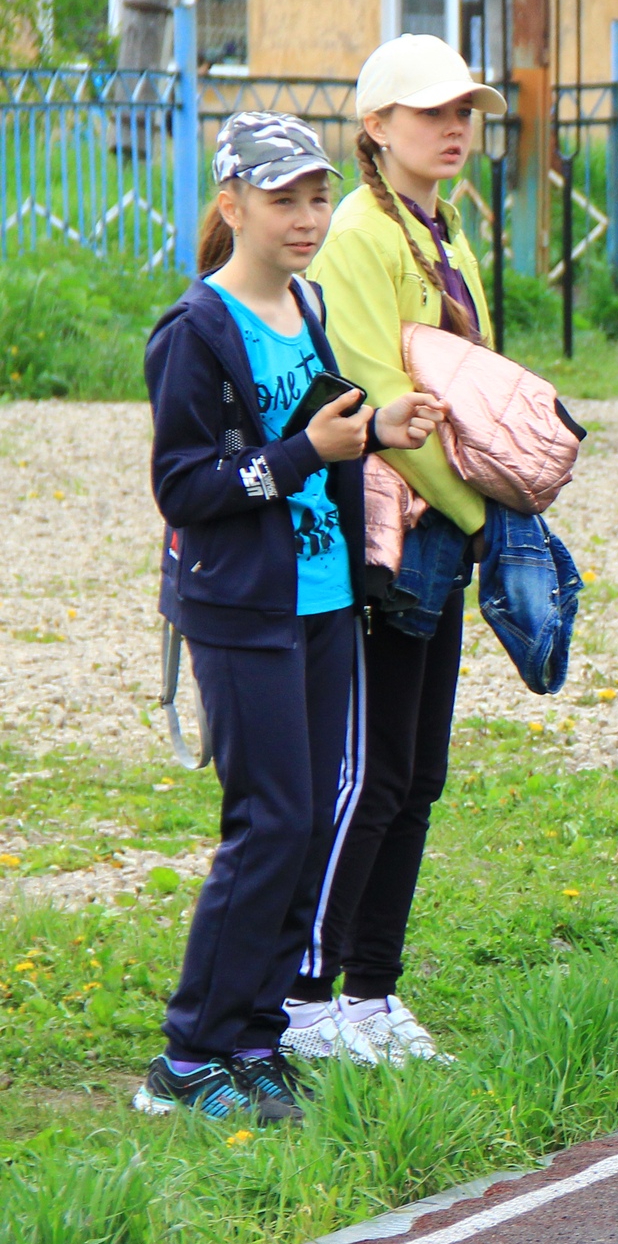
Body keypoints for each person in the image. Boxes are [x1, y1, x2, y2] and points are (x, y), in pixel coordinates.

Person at [139, 113, 445, 1123]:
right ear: (232, 206)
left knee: (309, 822)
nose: (309, 217)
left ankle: (254, 1041)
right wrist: (311, 453)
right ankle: (190, 1059)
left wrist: (376, 432)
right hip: (242, 612)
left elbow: (314, 441)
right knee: (266, 825)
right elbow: (188, 488)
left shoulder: (305, 308)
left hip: (321, 603)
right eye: (284, 199)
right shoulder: (196, 330)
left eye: (318, 196)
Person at [288, 36, 504, 1068]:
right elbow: (377, 401)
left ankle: (372, 995)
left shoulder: (442, 230)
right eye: (430, 113)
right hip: (393, 539)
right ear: (375, 128)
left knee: (419, 775)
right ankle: (306, 998)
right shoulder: (358, 236)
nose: (454, 126)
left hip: (444, 532)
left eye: (464, 109)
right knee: (368, 772)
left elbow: (479, 381)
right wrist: (480, 505)